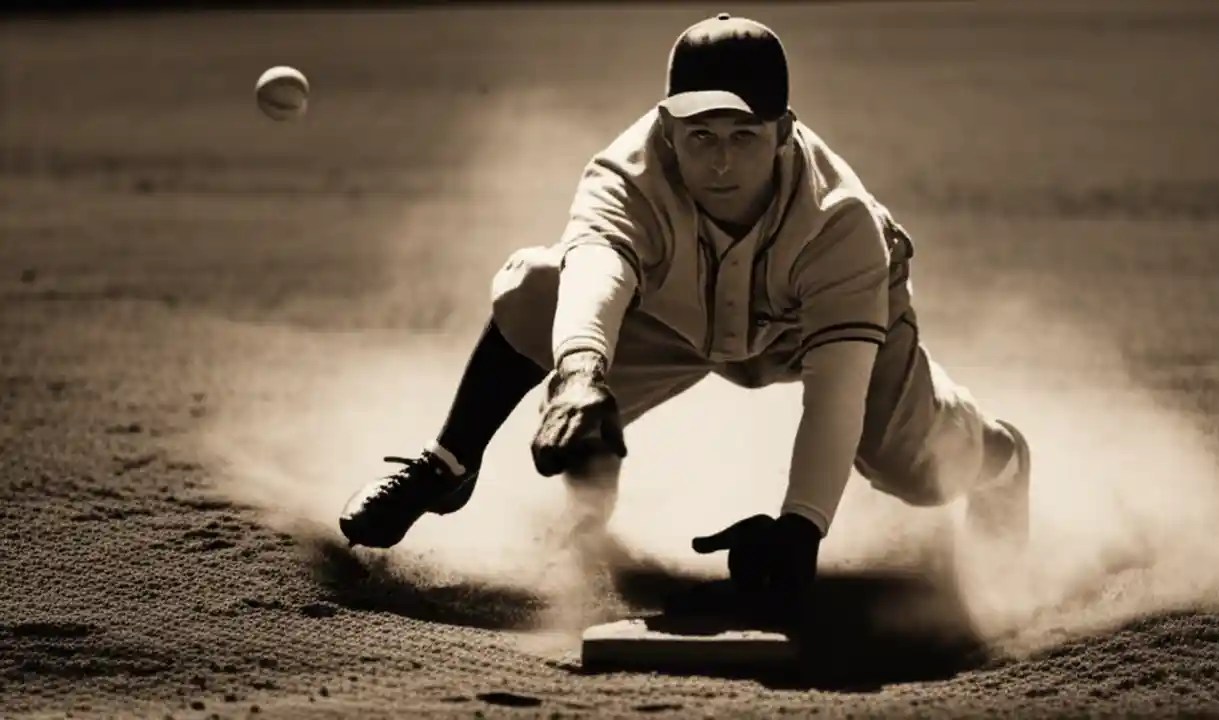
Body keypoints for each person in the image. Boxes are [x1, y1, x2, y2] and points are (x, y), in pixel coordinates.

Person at [339, 13, 1031, 610]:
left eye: (743, 135)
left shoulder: (839, 221)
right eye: (700, 135)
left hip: (807, 333)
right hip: (678, 324)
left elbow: (837, 390)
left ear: (784, 131)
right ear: (668, 129)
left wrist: (801, 526)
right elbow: (596, 274)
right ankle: (449, 467)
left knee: (911, 466)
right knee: (537, 293)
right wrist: (580, 373)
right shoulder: (626, 173)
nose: (721, 160)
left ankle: (1001, 460)